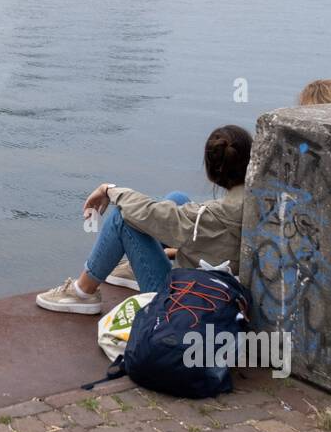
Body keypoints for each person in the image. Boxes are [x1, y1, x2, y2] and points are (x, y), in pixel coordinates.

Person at [36, 125, 253, 314]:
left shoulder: (214, 214)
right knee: (177, 199)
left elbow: (147, 213)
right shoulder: (254, 201)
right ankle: (133, 267)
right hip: (218, 285)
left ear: (212, 171)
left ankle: (82, 292)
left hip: (181, 302)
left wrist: (109, 190)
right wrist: (173, 252)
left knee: (121, 217)